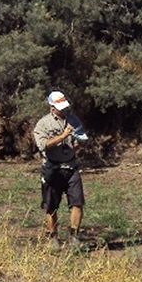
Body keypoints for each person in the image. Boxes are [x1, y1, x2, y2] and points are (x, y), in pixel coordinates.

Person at [33, 90, 87, 247]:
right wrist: (63, 136)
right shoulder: (43, 124)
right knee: (51, 205)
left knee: (77, 203)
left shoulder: (73, 119)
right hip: (52, 169)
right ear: (52, 108)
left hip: (71, 167)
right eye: (60, 107)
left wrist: (78, 144)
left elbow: (80, 138)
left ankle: (74, 236)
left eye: (65, 107)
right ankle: (52, 238)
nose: (64, 110)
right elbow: (43, 145)